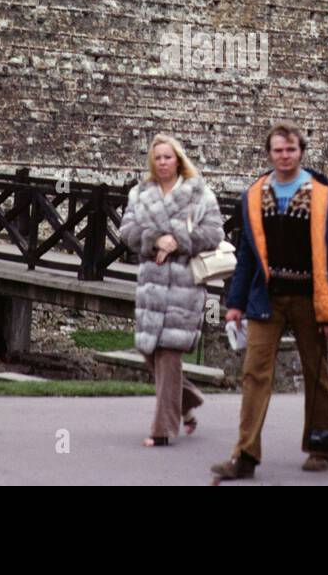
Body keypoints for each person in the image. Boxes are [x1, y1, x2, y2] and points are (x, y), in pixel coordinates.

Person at [210, 121, 328, 481]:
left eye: (290, 150)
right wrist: (235, 303)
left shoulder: (324, 193)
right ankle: (244, 455)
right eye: (278, 150)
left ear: (301, 151)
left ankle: (320, 444)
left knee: (316, 371)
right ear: (269, 153)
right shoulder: (255, 194)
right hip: (266, 297)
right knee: (254, 373)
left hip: (310, 296)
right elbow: (246, 253)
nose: (284, 156)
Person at [118, 134, 224, 447]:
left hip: (183, 285)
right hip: (151, 284)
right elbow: (127, 231)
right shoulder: (140, 194)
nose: (163, 162)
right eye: (158, 157)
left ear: (178, 159)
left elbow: (215, 232)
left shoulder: (199, 193)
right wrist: (154, 240)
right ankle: (188, 400)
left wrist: (177, 239)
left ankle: (162, 430)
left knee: (169, 355)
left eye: (168, 156)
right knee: (148, 349)